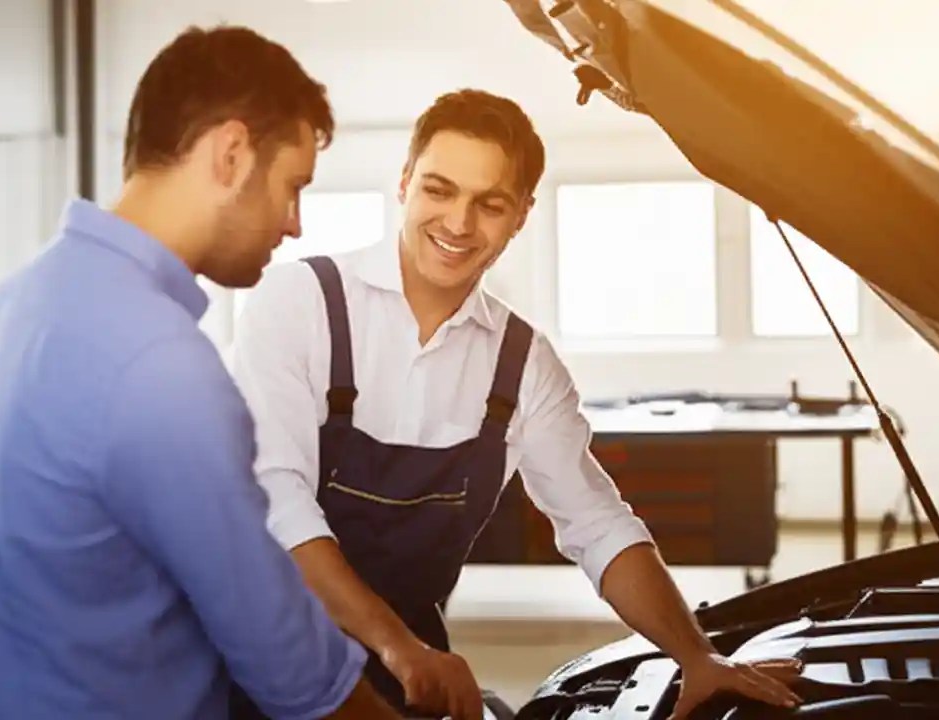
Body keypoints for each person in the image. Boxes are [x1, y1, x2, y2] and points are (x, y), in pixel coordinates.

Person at [230, 88, 804, 720]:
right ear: (404, 183)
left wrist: (696, 657)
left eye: (490, 204)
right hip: (260, 660)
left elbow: (598, 524)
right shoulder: (298, 302)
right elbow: (276, 502)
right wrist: (401, 649)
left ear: (522, 214)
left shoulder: (525, 365)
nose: (458, 223)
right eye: (439, 190)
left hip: (409, 676)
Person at [0, 25, 399, 720]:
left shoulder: (5, 309)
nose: (294, 224)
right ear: (232, 154)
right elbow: (287, 662)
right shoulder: (161, 364)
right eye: (292, 187)